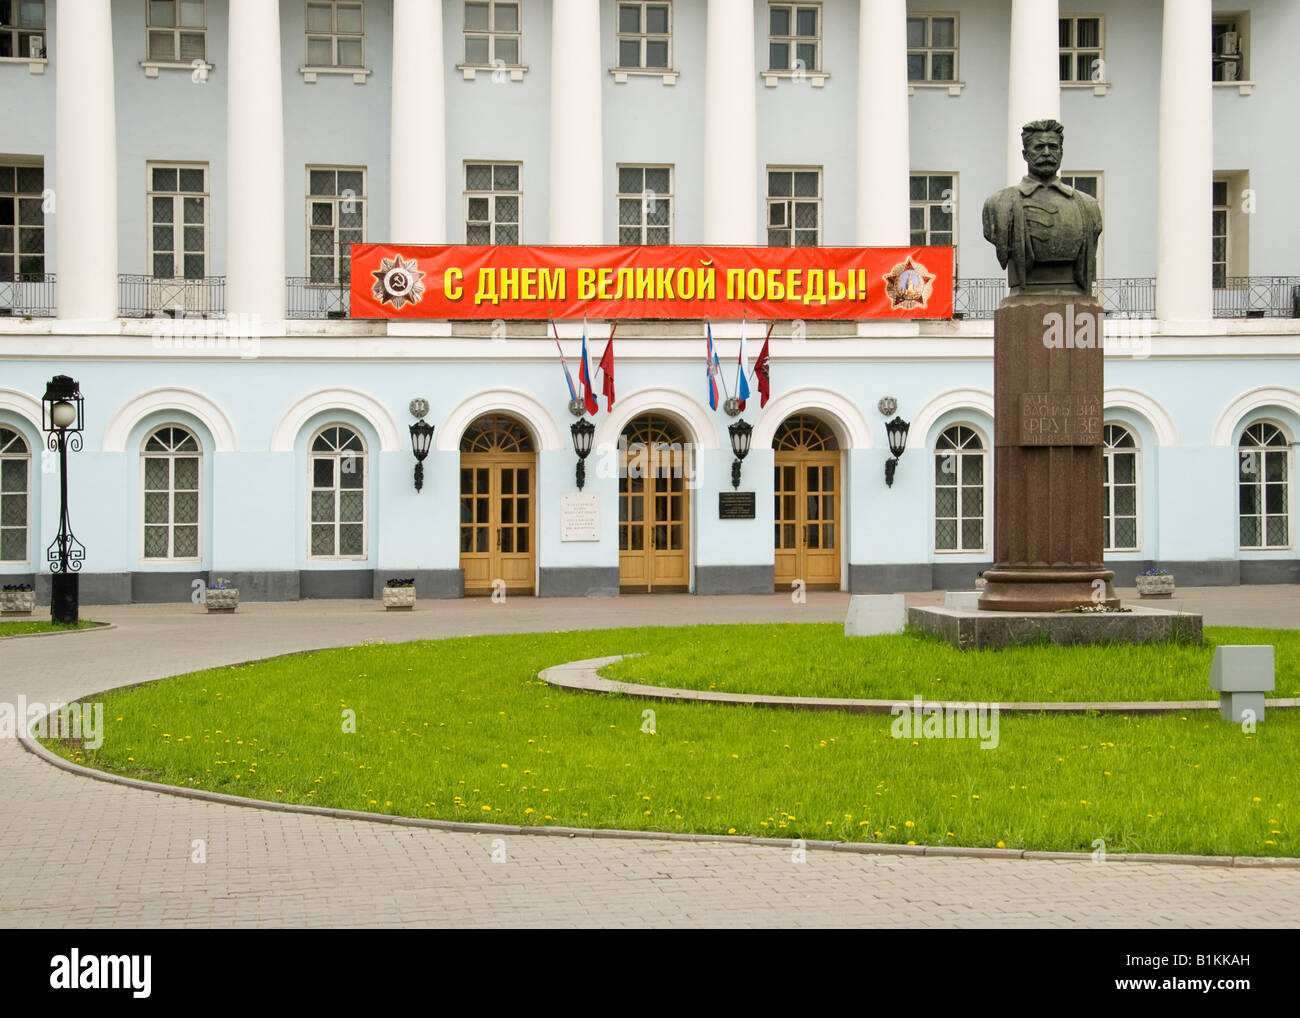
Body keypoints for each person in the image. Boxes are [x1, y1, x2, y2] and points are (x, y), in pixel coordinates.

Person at [982, 119, 1102, 296]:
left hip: (1074, 294)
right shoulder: (999, 203)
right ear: (1025, 154)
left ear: (1061, 152)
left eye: (1053, 147)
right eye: (1039, 147)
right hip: (1024, 292)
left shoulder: (1088, 205)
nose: (1047, 153)